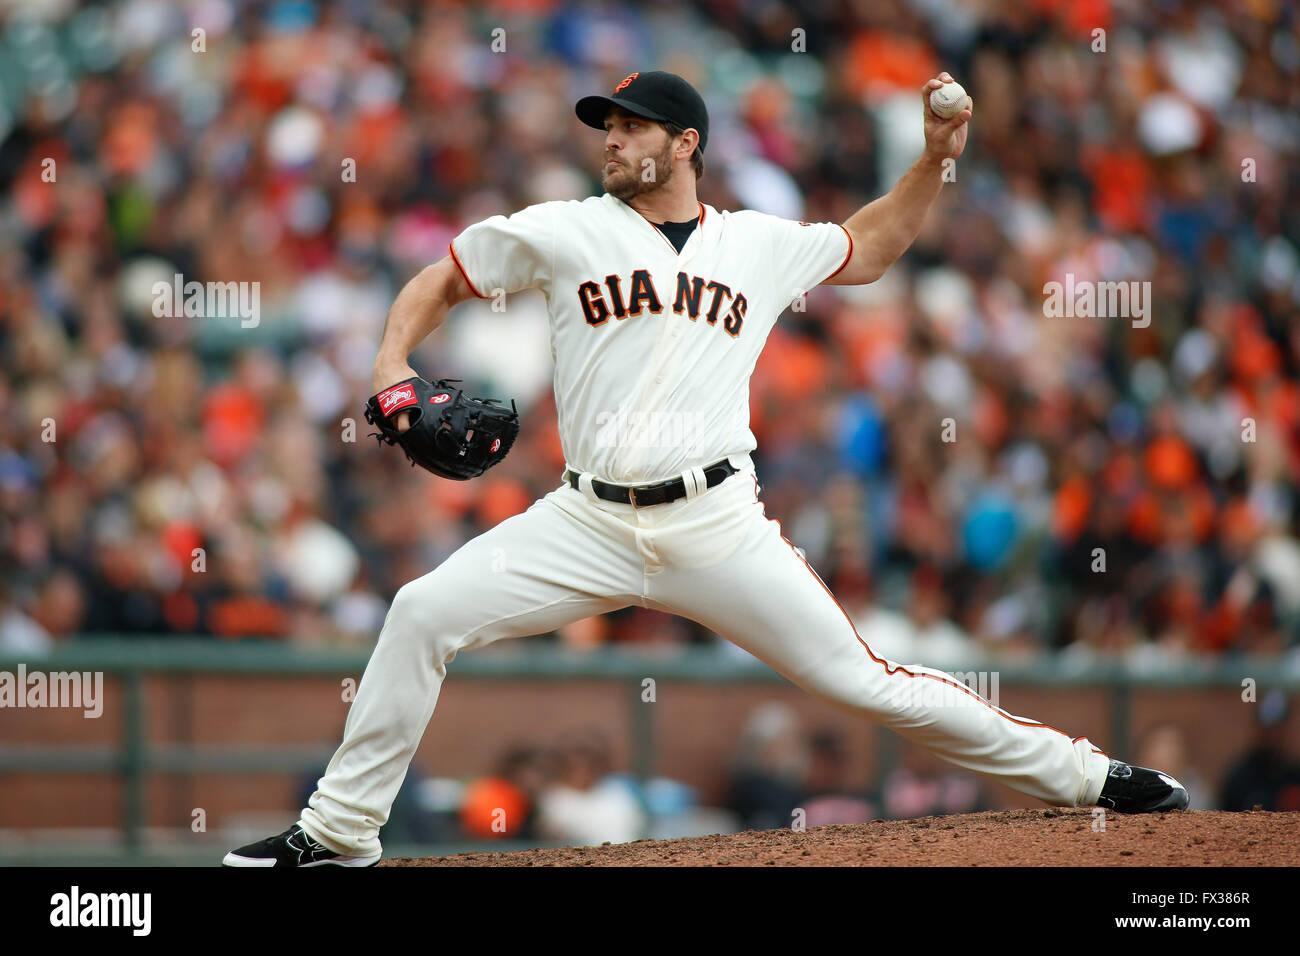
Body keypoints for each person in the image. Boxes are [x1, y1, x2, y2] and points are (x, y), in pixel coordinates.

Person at [224, 70, 1187, 867]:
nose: (610, 139)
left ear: (685, 143)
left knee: (867, 682)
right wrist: (392, 366)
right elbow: (443, 277)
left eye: (631, 126)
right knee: (420, 612)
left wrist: (934, 160)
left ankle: (1092, 778)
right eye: (605, 125)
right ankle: (339, 833)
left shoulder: (756, 244)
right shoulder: (567, 227)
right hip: (586, 520)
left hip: (718, 522)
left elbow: (876, 245)